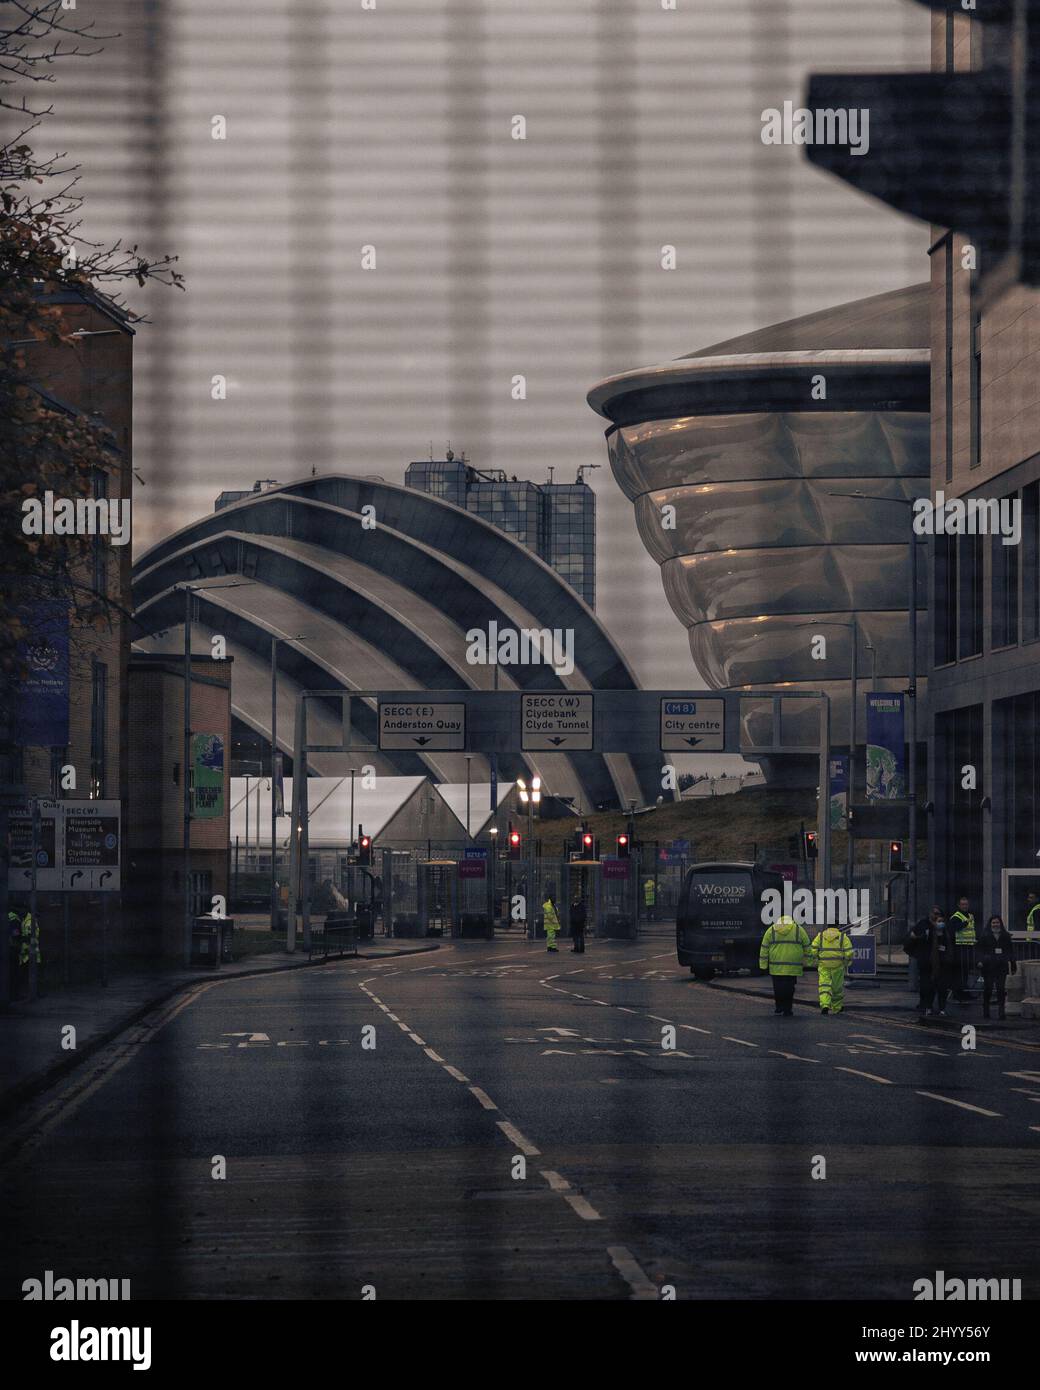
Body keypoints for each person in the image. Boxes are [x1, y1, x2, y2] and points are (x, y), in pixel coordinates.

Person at [758, 914, 812, 1016]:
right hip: (793, 965)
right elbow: (807, 946)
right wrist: (809, 962)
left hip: (776, 965)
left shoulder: (772, 929)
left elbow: (764, 948)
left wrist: (763, 965)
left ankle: (779, 1007)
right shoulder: (798, 929)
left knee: (778, 987)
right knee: (790, 987)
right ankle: (788, 1008)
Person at [977, 914, 1016, 1020]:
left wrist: (1013, 965)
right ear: (990, 924)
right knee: (988, 989)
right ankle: (986, 1012)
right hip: (988, 967)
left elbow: (1010, 951)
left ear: (1000, 923)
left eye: (997, 922)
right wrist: (980, 961)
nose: (995, 924)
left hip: (1001, 967)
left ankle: (1001, 1013)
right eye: (993, 922)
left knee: (1000, 989)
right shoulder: (984, 935)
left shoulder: (1006, 936)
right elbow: (980, 950)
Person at [904, 907, 943, 1015]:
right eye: (935, 913)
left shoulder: (939, 925)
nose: (936, 916)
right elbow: (915, 936)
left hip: (936, 960)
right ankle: (924, 1004)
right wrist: (918, 937)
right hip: (925, 958)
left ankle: (929, 1004)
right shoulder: (923, 923)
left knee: (933, 983)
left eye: (938, 914)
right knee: (925, 982)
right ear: (930, 913)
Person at [810, 922, 853, 1015]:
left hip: (823, 965)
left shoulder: (820, 936)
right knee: (837, 988)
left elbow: (813, 950)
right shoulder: (842, 937)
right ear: (837, 926)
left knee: (824, 986)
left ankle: (825, 1005)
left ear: (827, 926)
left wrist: (816, 960)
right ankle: (836, 1008)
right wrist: (847, 962)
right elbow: (849, 953)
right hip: (838, 966)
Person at [950, 895, 976, 1001]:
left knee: (965, 972)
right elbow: (953, 929)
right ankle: (958, 993)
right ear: (958, 905)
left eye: (966, 904)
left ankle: (965, 992)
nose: (965, 906)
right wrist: (965, 923)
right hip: (959, 948)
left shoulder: (970, 916)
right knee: (959, 973)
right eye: (963, 904)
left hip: (968, 947)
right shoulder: (956, 917)